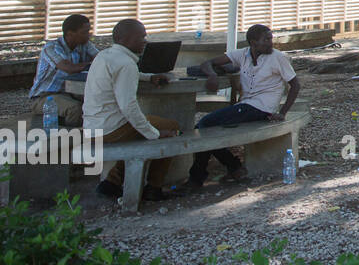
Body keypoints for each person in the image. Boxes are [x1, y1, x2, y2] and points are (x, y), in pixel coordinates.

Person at [180, 24, 300, 191]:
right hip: (245, 105)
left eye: (271, 39)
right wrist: (212, 74)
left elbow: (295, 85)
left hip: (261, 108)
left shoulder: (277, 57)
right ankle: (233, 167)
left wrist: (282, 112)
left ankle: (199, 178)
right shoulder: (242, 54)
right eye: (266, 39)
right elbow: (207, 63)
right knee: (204, 128)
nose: (270, 43)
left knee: (203, 125)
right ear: (253, 42)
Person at [81, 19, 180, 201]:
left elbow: (123, 75)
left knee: (141, 133)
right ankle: (154, 187)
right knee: (171, 127)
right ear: (124, 39)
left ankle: (112, 183)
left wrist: (148, 77)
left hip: (93, 124)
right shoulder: (126, 64)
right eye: (140, 37)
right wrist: (154, 133)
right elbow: (128, 107)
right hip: (110, 128)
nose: (145, 40)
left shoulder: (106, 56)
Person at [28, 13, 99, 127]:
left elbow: (100, 58)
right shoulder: (51, 48)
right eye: (84, 32)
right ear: (70, 34)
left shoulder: (84, 45)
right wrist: (92, 64)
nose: (89, 35)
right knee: (75, 109)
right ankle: (70, 138)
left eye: (88, 31)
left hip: (71, 92)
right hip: (45, 97)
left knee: (99, 101)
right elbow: (68, 68)